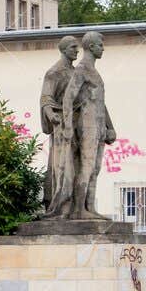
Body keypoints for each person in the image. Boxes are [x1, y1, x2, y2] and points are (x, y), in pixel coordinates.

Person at [62, 31, 116, 218]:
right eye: (101, 44)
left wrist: (110, 126)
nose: (103, 48)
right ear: (91, 46)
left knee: (95, 168)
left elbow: (101, 101)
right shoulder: (82, 69)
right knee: (86, 166)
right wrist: (68, 126)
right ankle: (79, 210)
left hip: (99, 123)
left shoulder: (94, 71)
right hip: (87, 123)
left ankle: (90, 208)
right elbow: (68, 98)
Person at [39, 36, 80, 217]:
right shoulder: (54, 72)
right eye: (73, 47)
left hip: (78, 124)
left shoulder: (76, 72)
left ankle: (77, 207)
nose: (77, 50)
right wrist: (52, 116)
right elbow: (46, 98)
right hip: (62, 124)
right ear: (64, 49)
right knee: (62, 167)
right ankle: (59, 205)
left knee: (78, 166)